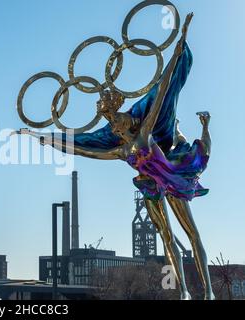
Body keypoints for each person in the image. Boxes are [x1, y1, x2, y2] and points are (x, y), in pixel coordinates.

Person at [15, 13, 215, 300]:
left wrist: (178, 47)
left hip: (172, 177)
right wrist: (41, 137)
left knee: (192, 235)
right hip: (150, 185)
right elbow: (81, 147)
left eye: (119, 122)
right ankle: (183, 291)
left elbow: (163, 90)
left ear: (126, 120)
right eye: (113, 124)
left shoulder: (145, 129)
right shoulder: (120, 149)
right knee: (166, 237)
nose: (117, 127)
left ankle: (208, 293)